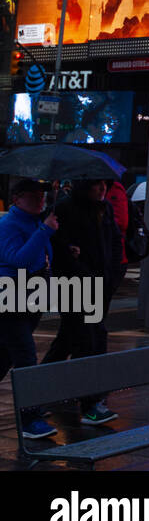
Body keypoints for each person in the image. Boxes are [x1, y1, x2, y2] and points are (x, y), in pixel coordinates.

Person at [42, 179, 124, 424]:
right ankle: (90, 403)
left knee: (71, 337)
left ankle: (38, 387)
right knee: (88, 340)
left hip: (100, 283)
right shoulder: (65, 208)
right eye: (96, 185)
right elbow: (58, 247)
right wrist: (78, 266)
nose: (102, 190)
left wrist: (111, 275)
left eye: (104, 185)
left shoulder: (104, 208)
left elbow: (114, 241)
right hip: (75, 284)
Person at [0, 179, 58, 440]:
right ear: (16, 199)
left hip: (29, 298)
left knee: (4, 355)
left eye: (42, 195)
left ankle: (31, 415)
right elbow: (18, 259)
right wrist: (44, 232)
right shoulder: (9, 225)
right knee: (25, 358)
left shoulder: (35, 222)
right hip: (10, 297)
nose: (40, 200)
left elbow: (38, 257)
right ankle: (30, 420)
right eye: (33, 196)